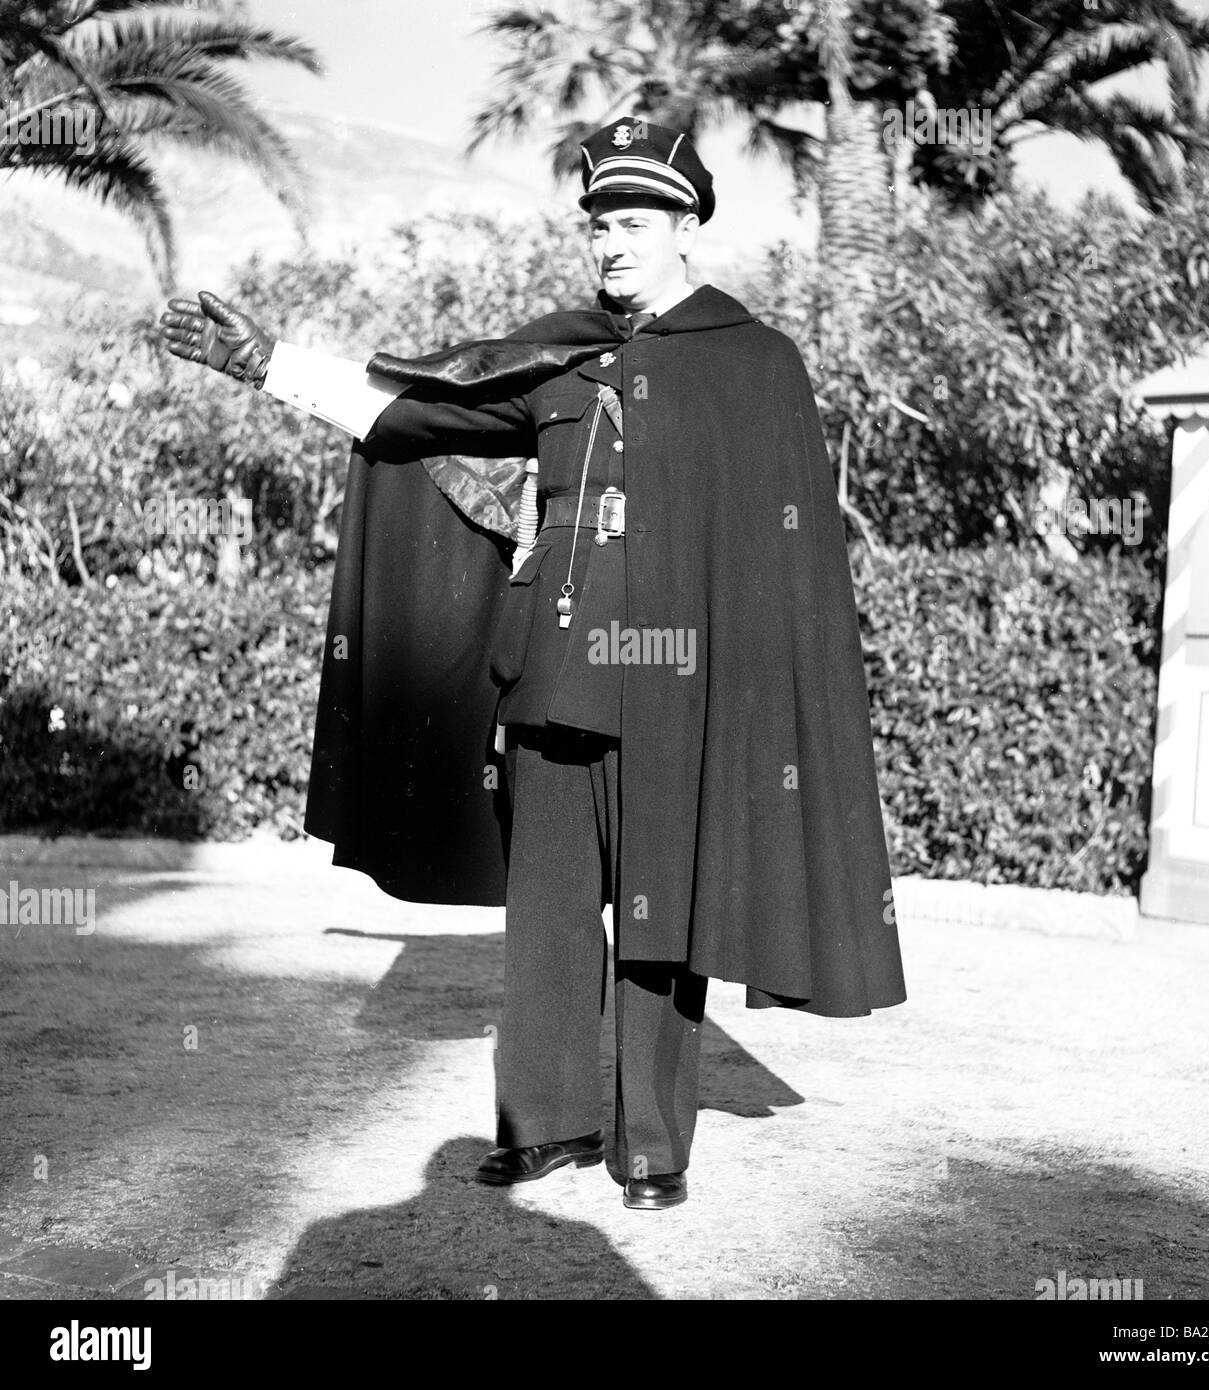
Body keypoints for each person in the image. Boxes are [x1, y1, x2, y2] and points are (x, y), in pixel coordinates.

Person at [160, 117, 906, 1212]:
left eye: (636, 222)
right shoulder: (556, 352)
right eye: (600, 222)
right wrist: (265, 364)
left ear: (688, 225)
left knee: (659, 922)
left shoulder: (755, 364)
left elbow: (782, 565)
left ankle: (651, 1145)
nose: (613, 242)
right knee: (549, 911)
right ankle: (544, 1122)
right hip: (553, 674)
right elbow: (412, 415)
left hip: (679, 695)